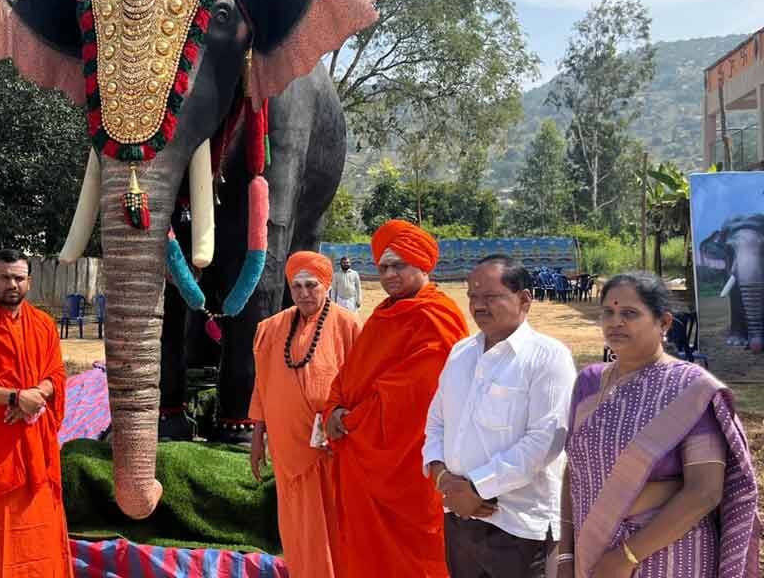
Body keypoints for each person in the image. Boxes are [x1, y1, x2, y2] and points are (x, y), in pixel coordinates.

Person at [558, 272, 760, 578]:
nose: (615, 322)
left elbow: (704, 492)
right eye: (608, 313)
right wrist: (565, 556)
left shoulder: (690, 388)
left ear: (664, 323)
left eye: (629, 313)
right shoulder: (588, 383)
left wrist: (626, 556)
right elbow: (573, 473)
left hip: (668, 555)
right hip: (592, 551)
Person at [323, 219, 469, 578]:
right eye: (383, 267)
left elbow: (414, 397)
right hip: (362, 456)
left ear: (422, 264)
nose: (388, 274)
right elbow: (352, 372)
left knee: (416, 556)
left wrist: (351, 421)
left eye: (398, 265)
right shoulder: (383, 313)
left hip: (408, 465)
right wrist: (334, 406)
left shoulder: (437, 316)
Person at [424, 255, 576, 578]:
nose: (478, 306)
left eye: (490, 297)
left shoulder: (548, 358)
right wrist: (443, 479)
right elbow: (437, 421)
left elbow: (544, 442)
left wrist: (476, 488)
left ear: (524, 300)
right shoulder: (461, 352)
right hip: (461, 518)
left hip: (516, 526)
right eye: (472, 297)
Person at [0, 248, 72, 577]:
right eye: (4, 277)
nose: (12, 284)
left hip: (36, 446)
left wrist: (35, 395)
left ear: (29, 282)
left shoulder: (44, 324)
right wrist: (16, 398)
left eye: (19, 278)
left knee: (39, 535)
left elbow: (56, 376)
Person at [249, 251, 360, 578]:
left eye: (311, 285)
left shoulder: (347, 325)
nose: (304, 293)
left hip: (332, 451)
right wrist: (257, 436)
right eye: (296, 286)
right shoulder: (272, 329)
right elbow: (262, 384)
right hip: (287, 451)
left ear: (326, 284)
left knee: (336, 525)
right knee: (298, 529)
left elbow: (363, 386)